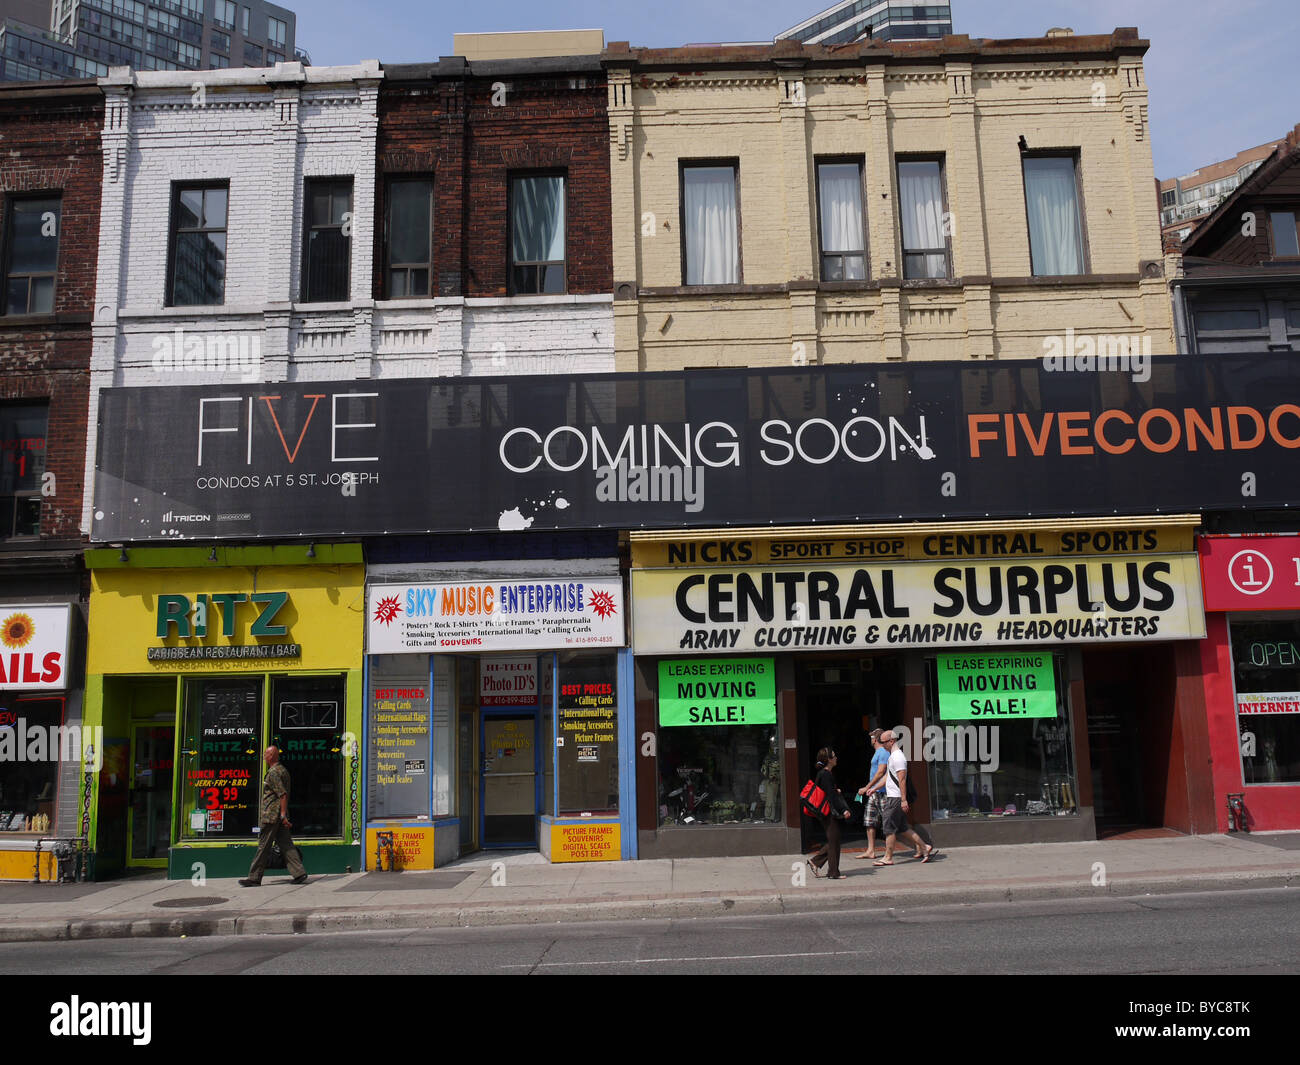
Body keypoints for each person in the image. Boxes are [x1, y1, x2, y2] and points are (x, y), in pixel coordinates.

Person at [239, 746, 308, 886]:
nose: (264, 756)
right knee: (286, 844)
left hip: (271, 815)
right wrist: (283, 815)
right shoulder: (283, 770)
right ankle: (299, 873)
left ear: (272, 756)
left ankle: (254, 877)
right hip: (279, 815)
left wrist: (282, 815)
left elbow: (282, 794)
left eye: (266, 753)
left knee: (263, 846)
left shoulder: (273, 773)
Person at [875, 730, 937, 866]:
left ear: (891, 741)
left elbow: (902, 779)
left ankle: (888, 857)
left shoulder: (897, 757)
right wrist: (873, 788)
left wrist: (903, 800)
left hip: (895, 798)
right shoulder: (893, 756)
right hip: (895, 797)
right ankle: (925, 847)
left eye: (884, 742)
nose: (882, 745)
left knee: (889, 827)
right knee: (902, 828)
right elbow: (888, 776)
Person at [806, 747, 854, 880]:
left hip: (825, 811)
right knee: (834, 841)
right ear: (829, 760)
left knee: (834, 839)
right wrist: (843, 810)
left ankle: (816, 862)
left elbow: (827, 791)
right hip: (828, 812)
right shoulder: (826, 774)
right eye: (834, 755)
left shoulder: (824, 773)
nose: (836, 757)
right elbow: (830, 796)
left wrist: (834, 790)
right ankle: (833, 872)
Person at [855, 728, 890, 860]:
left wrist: (867, 787)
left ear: (875, 739)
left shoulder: (883, 753)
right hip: (873, 792)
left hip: (882, 792)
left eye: (871, 737)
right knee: (869, 820)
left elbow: (881, 772)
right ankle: (870, 850)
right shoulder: (877, 753)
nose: (870, 739)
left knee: (887, 822)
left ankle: (889, 851)